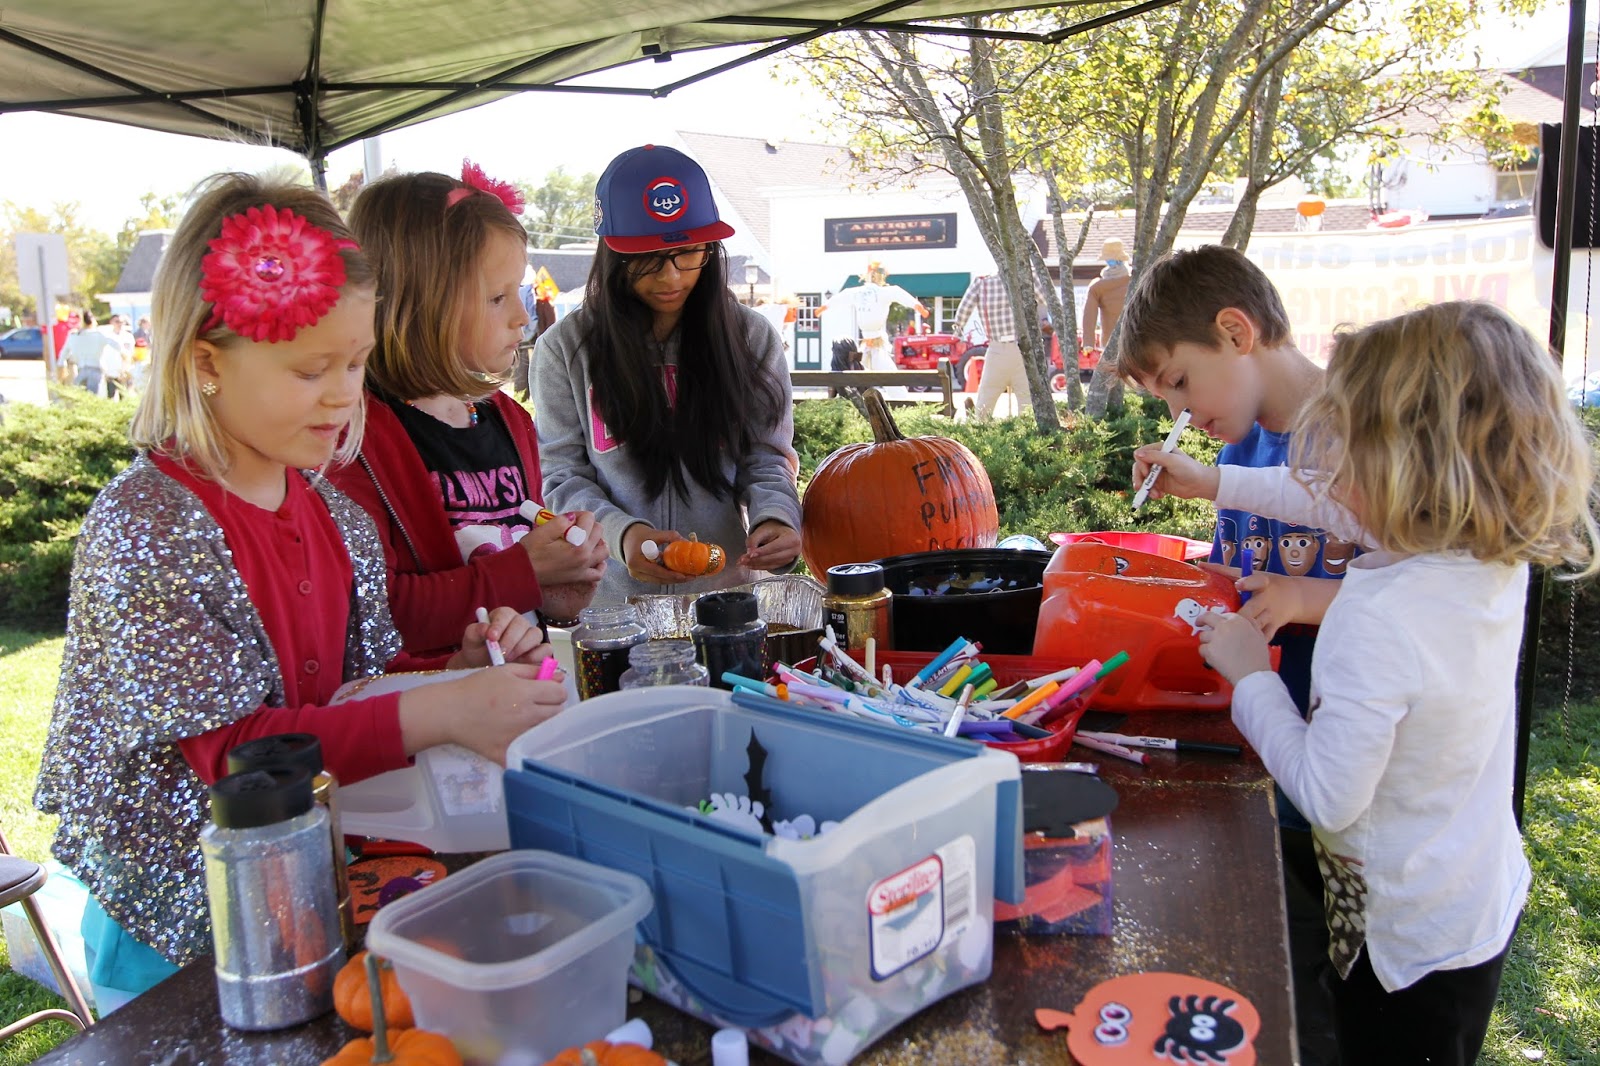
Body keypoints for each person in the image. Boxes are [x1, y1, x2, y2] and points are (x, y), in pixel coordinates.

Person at [33, 173, 568, 1011]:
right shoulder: (146, 528)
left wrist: (451, 667)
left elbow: (349, 690)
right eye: (311, 367)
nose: (347, 393)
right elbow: (234, 758)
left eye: (356, 362)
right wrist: (443, 710)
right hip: (177, 929)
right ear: (205, 362)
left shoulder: (328, 510)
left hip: (305, 889)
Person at [1137, 300, 1598, 1065]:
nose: (1321, 470)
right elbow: (1314, 495)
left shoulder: (1376, 616)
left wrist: (1253, 678)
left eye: (1339, 448)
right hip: (1470, 897)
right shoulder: (1480, 555)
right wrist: (1213, 481)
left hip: (1402, 945)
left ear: (1398, 466)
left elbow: (1327, 795)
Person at [1115, 244, 1344, 1066]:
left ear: (1236, 332)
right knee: (1283, 924)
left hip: (1342, 729)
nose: (1176, 408)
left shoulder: (1358, 434)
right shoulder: (1240, 441)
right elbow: (1238, 561)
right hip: (1260, 725)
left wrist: (1307, 599)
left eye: (1177, 381)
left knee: (1335, 946)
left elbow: (1422, 584)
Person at [331, 165, 610, 654]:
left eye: (517, 293)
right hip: (429, 708)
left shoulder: (509, 421)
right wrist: (526, 569)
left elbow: (518, 588)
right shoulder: (354, 441)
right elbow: (381, 615)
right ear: (420, 303)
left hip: (521, 696)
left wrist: (560, 587)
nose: (522, 317)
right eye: (497, 298)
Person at [535, 143, 802, 603]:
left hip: (727, 599)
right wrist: (624, 536)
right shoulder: (564, 349)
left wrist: (776, 517)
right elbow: (562, 477)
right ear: (612, 254)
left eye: (688, 253)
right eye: (648, 259)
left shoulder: (751, 338)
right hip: (613, 606)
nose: (671, 277)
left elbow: (766, 456)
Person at [951, 271, 1046, 419]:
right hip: (1023, 350)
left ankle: (980, 433)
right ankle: (1029, 435)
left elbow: (964, 309)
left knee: (986, 399)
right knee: (1026, 400)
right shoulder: (1026, 277)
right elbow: (1046, 299)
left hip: (996, 350)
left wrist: (957, 331)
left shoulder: (982, 283)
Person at [1081, 237, 1131, 348]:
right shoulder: (1136, 281)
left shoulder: (1098, 287)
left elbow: (1089, 316)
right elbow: (1089, 315)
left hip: (1112, 343)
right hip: (1131, 342)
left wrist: (1088, 343)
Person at [62, 311, 119, 395]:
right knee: (94, 398)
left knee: (80, 398)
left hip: (81, 370)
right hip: (96, 370)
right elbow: (118, 345)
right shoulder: (99, 334)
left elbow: (62, 356)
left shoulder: (74, 336)